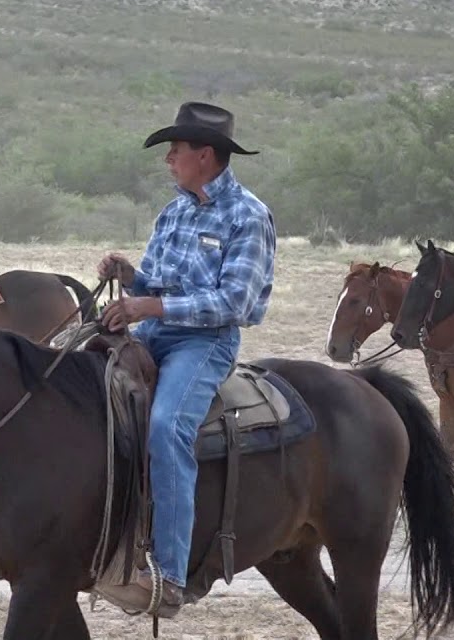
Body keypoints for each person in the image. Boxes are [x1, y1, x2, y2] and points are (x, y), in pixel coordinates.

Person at [95, 101, 276, 617]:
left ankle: (169, 576)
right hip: (153, 331)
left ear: (206, 155)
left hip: (206, 343)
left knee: (167, 426)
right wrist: (130, 277)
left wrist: (148, 304)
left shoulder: (248, 215)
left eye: (175, 151)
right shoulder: (174, 210)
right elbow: (156, 282)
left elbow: (236, 303)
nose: (168, 160)